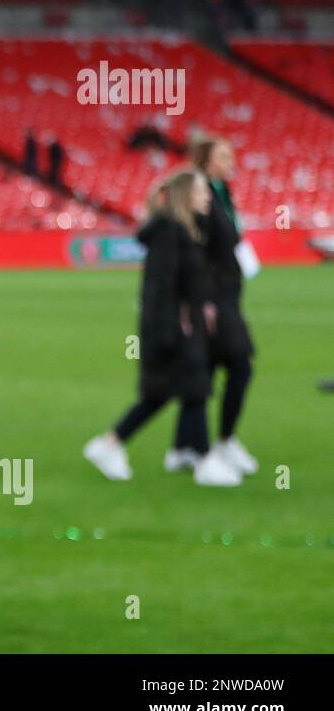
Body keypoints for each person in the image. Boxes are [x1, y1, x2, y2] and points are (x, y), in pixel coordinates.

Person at [83, 168, 241, 487]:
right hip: (172, 328)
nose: (207, 196)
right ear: (186, 196)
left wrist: (202, 305)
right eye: (200, 191)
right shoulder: (170, 233)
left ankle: (111, 444)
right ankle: (204, 460)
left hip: (181, 325)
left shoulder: (184, 230)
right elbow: (158, 287)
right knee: (189, 390)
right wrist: (169, 330)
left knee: (166, 394)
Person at [167, 137, 257, 475]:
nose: (232, 160)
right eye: (223, 155)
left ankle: (182, 447)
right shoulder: (200, 197)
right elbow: (195, 249)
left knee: (205, 367)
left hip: (226, 294)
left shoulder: (222, 192)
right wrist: (198, 299)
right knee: (239, 365)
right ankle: (223, 441)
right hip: (212, 298)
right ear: (206, 161)